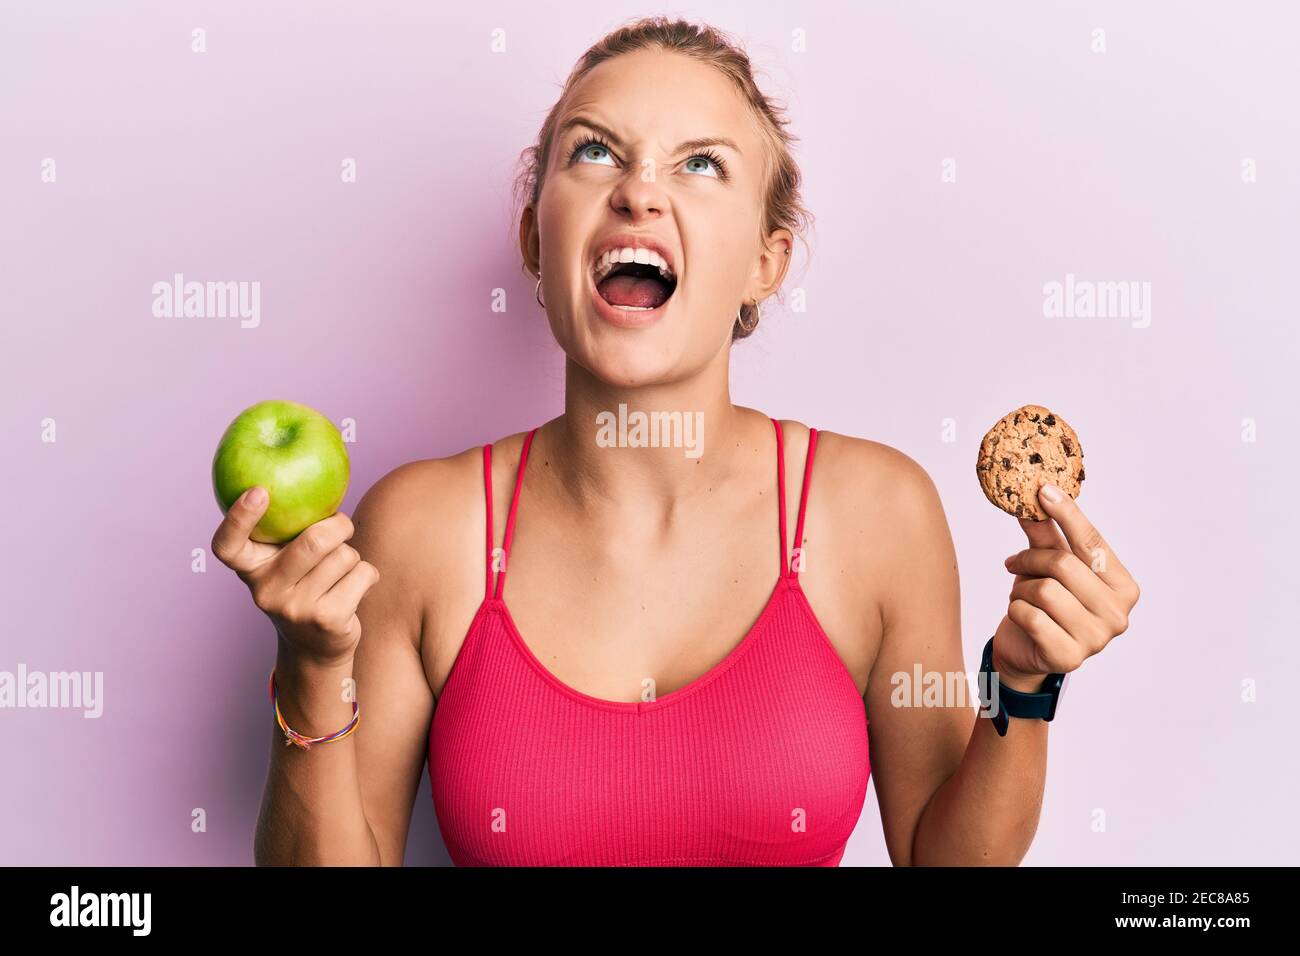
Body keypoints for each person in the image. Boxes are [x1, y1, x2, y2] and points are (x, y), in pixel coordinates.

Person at [214, 16, 1140, 866]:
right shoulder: (422, 525)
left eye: (700, 164)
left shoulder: (876, 514)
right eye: (595, 152)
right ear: (537, 242)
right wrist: (312, 665)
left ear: (764, 264)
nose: (638, 193)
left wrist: (1022, 686)